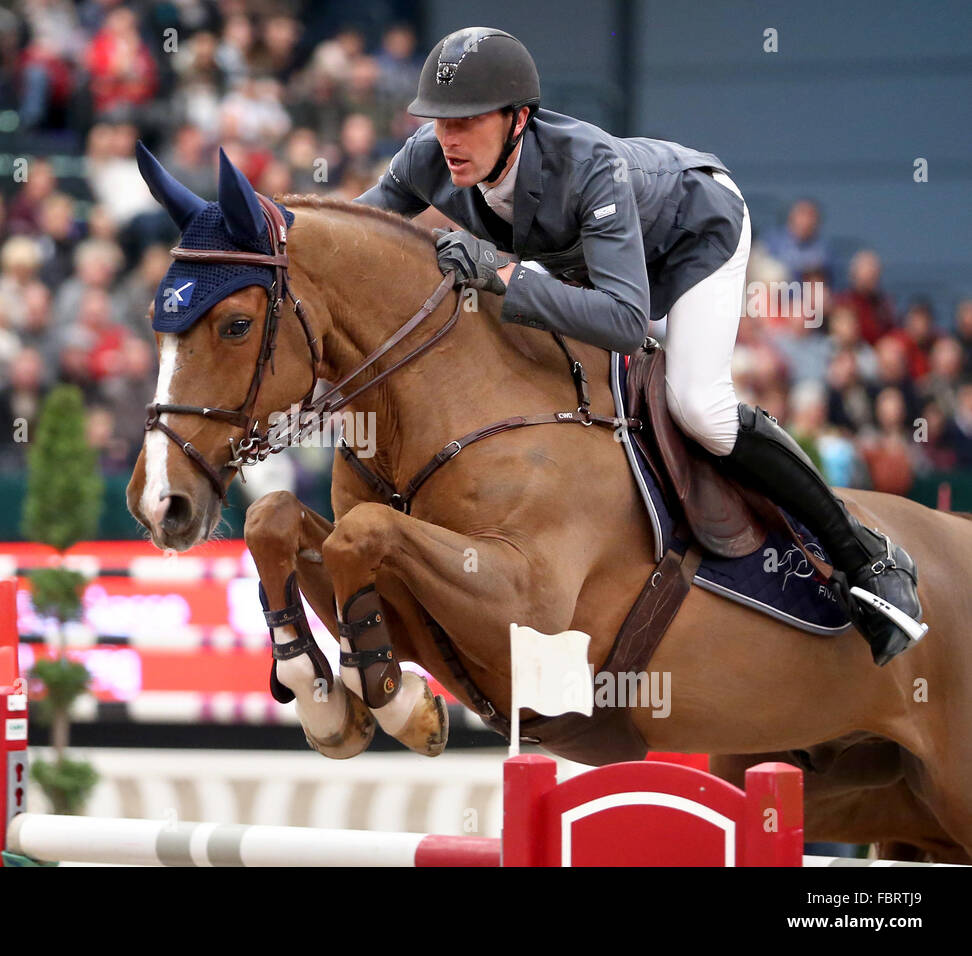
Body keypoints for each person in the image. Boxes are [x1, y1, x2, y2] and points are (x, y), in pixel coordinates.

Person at [355, 26, 921, 665]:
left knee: (698, 407)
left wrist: (502, 275)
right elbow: (352, 230)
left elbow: (626, 321)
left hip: (694, 235)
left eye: (467, 121)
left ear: (519, 119)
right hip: (600, 265)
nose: (448, 138)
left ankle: (865, 554)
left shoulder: (588, 166)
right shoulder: (430, 156)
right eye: (439, 122)